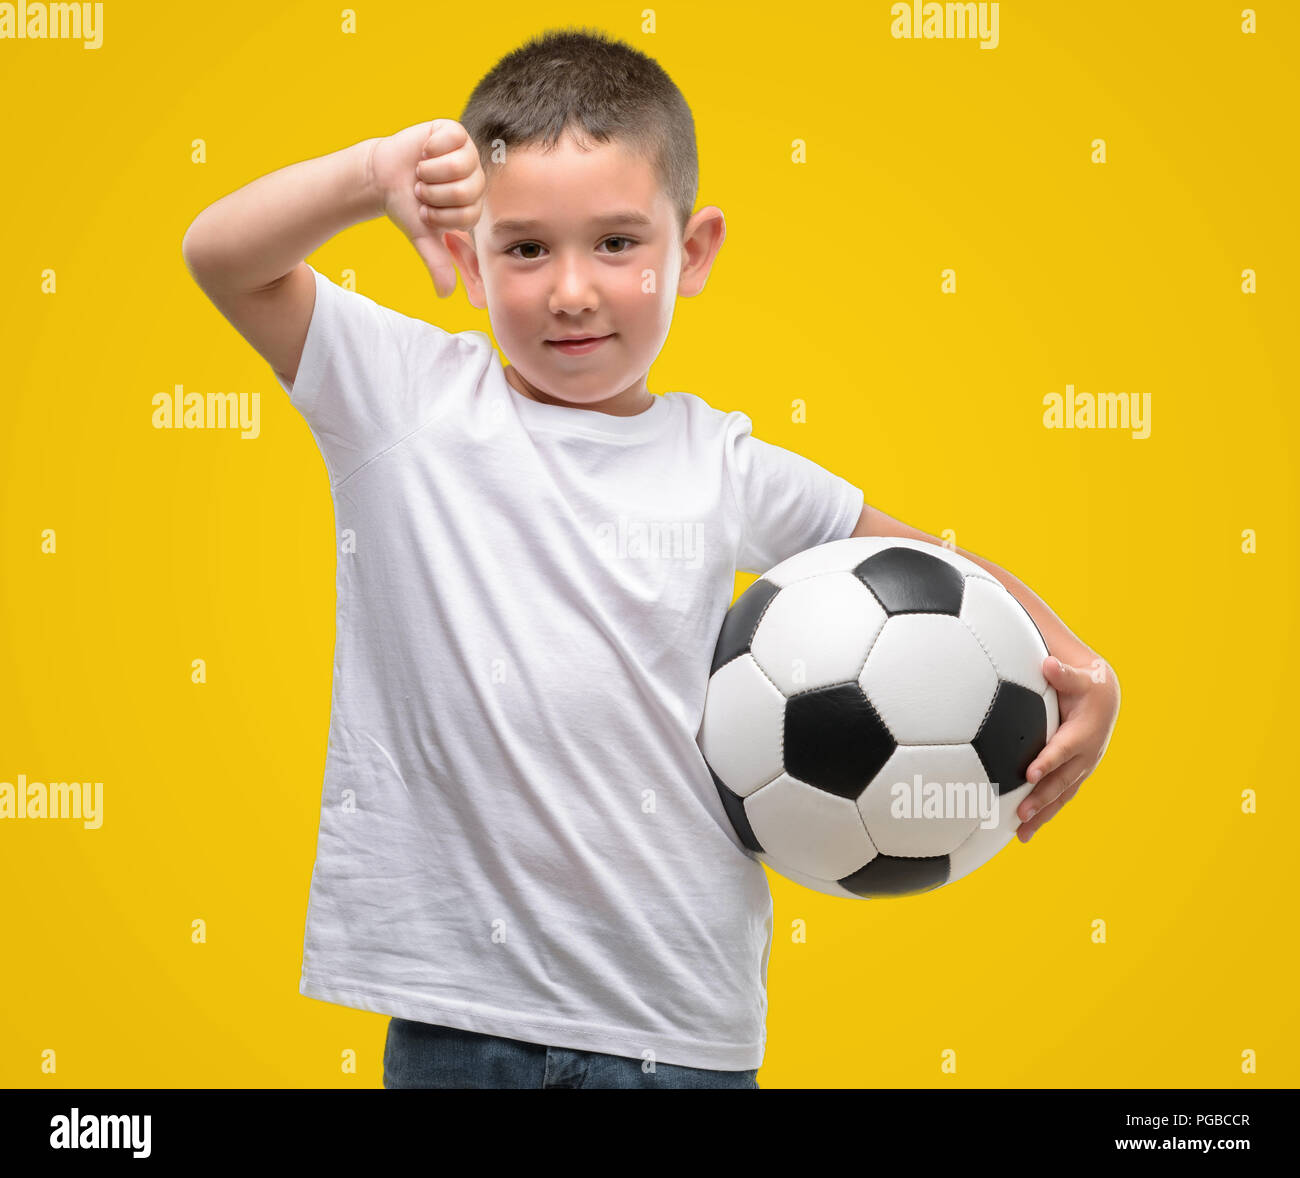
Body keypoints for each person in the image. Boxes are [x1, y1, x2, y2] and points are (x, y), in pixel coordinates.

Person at [181, 26, 1120, 1090]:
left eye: (618, 244)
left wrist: (1082, 665)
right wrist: (369, 174)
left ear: (694, 248)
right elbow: (222, 255)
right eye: (525, 248)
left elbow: (941, 580)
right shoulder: (401, 400)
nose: (571, 290)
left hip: (677, 1021)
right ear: (464, 256)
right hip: (459, 1019)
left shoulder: (721, 462)